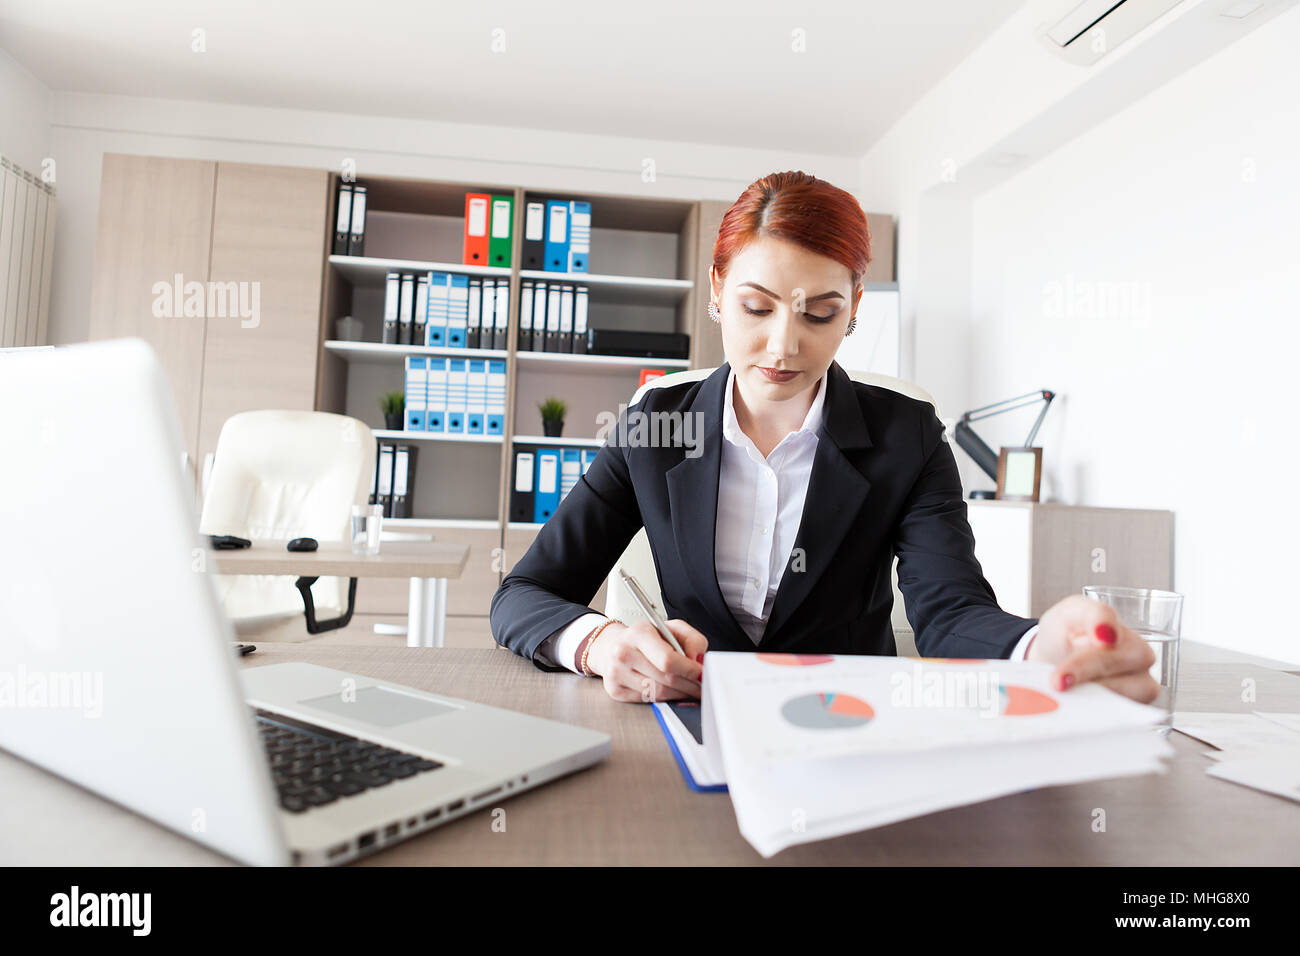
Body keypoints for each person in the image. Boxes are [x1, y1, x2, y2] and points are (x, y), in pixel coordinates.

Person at [491, 170, 1157, 706]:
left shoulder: (906, 436)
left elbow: (949, 612)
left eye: (820, 312)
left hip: (854, 724)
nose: (784, 344)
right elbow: (524, 595)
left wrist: (1039, 649)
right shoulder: (655, 427)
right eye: (757, 307)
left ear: (855, 309)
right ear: (718, 292)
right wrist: (603, 643)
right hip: (695, 721)